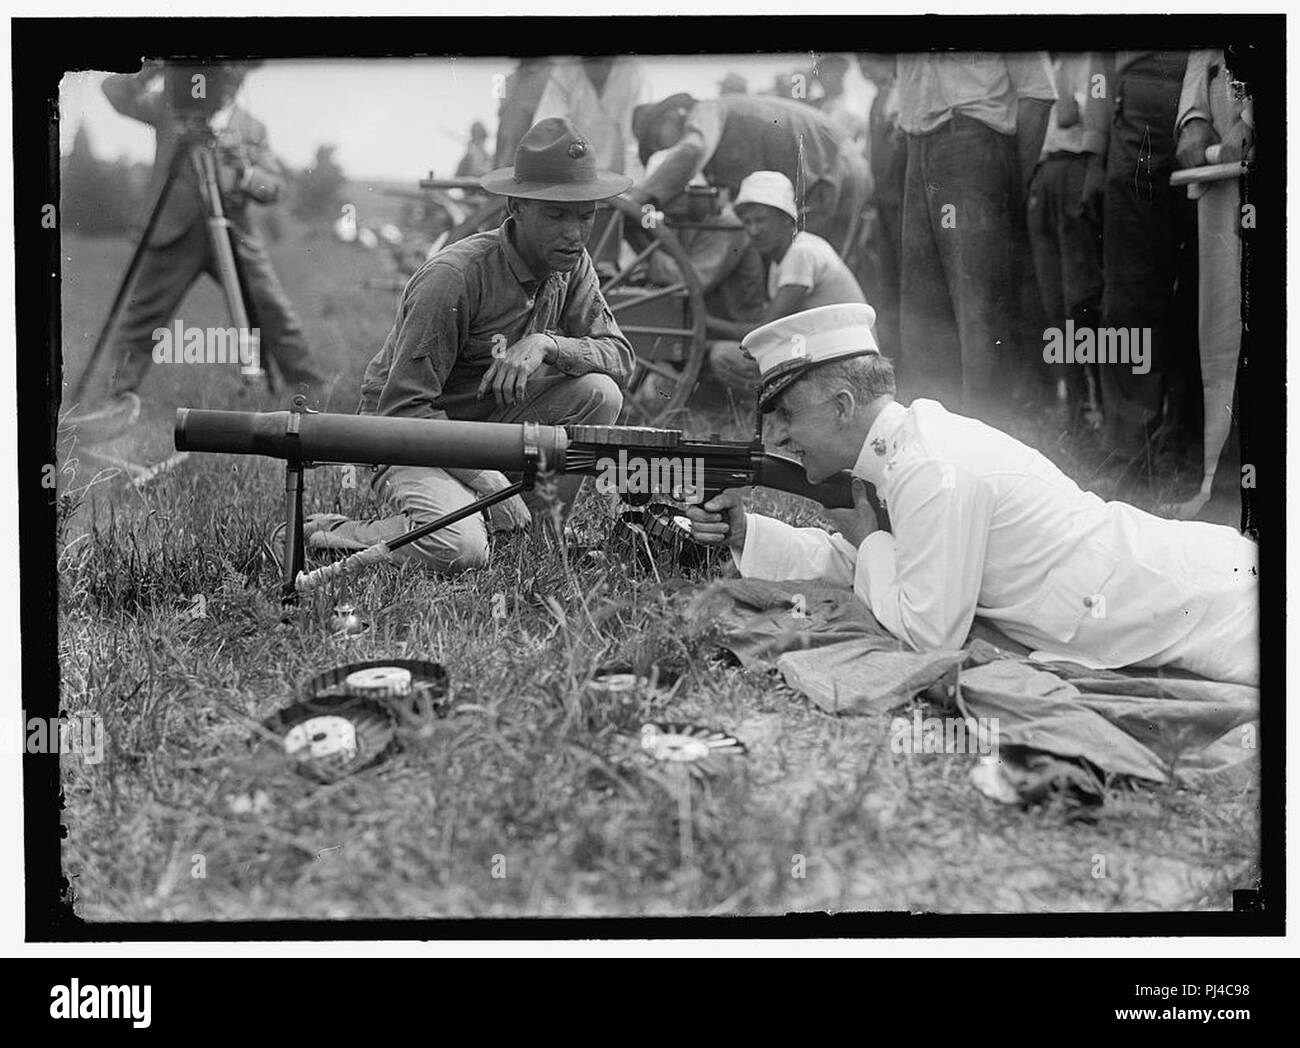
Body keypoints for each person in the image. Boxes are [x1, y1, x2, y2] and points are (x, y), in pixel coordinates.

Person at [684, 304, 1258, 687]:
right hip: (1176, 590)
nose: (778, 435)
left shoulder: (929, 468)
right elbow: (900, 562)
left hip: (1214, 606)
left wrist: (868, 538)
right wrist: (747, 533)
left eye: (786, 414)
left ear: (841, 406)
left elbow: (926, 632)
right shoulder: (905, 449)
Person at [307, 119, 635, 573]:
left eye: (585, 214)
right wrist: (487, 483)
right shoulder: (454, 277)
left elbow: (620, 358)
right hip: (411, 439)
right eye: (557, 215)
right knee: (461, 550)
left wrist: (547, 344)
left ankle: (538, 533)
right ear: (516, 207)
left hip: (491, 428)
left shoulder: (572, 264)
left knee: (601, 393)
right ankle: (328, 533)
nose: (575, 234)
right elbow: (401, 408)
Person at [97, 61, 320, 407]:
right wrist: (151, 69)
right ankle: (116, 400)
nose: (226, 76)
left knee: (275, 312)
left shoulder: (252, 127)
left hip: (236, 235)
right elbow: (114, 92)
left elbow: (275, 186)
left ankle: (310, 391)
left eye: (234, 70)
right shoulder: (169, 107)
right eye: (219, 68)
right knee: (142, 320)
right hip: (174, 233)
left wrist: (245, 172)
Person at [894, 51, 1056, 421]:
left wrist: (1009, 180)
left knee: (980, 311)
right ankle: (933, 444)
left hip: (973, 141)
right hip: (917, 145)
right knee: (923, 310)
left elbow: (1038, 94)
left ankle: (986, 443)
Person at [1081, 51, 1192, 458]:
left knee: (1203, 283)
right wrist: (1095, 153)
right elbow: (1099, 60)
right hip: (1137, 110)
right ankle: (1128, 445)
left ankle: (1187, 440)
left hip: (1213, 96)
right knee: (1129, 291)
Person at [626, 92, 871, 256]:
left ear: (673, 116)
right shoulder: (719, 143)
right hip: (830, 169)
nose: (662, 149)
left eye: (657, 139)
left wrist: (639, 197)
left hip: (832, 167)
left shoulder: (707, 110)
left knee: (809, 266)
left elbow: (692, 149)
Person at [1168, 49, 1254, 520]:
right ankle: (1219, 486)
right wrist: (1195, 118)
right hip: (1223, 168)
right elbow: (1201, 56)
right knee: (1221, 330)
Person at [706, 172, 866, 393]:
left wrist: (707, 325)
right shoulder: (782, 259)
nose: (753, 230)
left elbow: (765, 331)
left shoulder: (802, 254)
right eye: (748, 222)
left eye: (761, 220)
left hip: (845, 362)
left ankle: (771, 414)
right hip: (831, 352)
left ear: (786, 219)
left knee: (724, 355)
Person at [1025, 52, 1108, 432]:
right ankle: (1076, 408)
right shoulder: (1049, 63)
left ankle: (1095, 405)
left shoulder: (1085, 60)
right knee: (1053, 300)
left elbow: (1068, 115)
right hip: (1045, 175)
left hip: (1074, 168)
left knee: (1080, 298)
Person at [531, 56, 649, 175]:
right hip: (575, 177)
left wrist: (632, 186)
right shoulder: (565, 70)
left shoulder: (632, 72)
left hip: (620, 179)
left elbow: (636, 141)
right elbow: (546, 131)